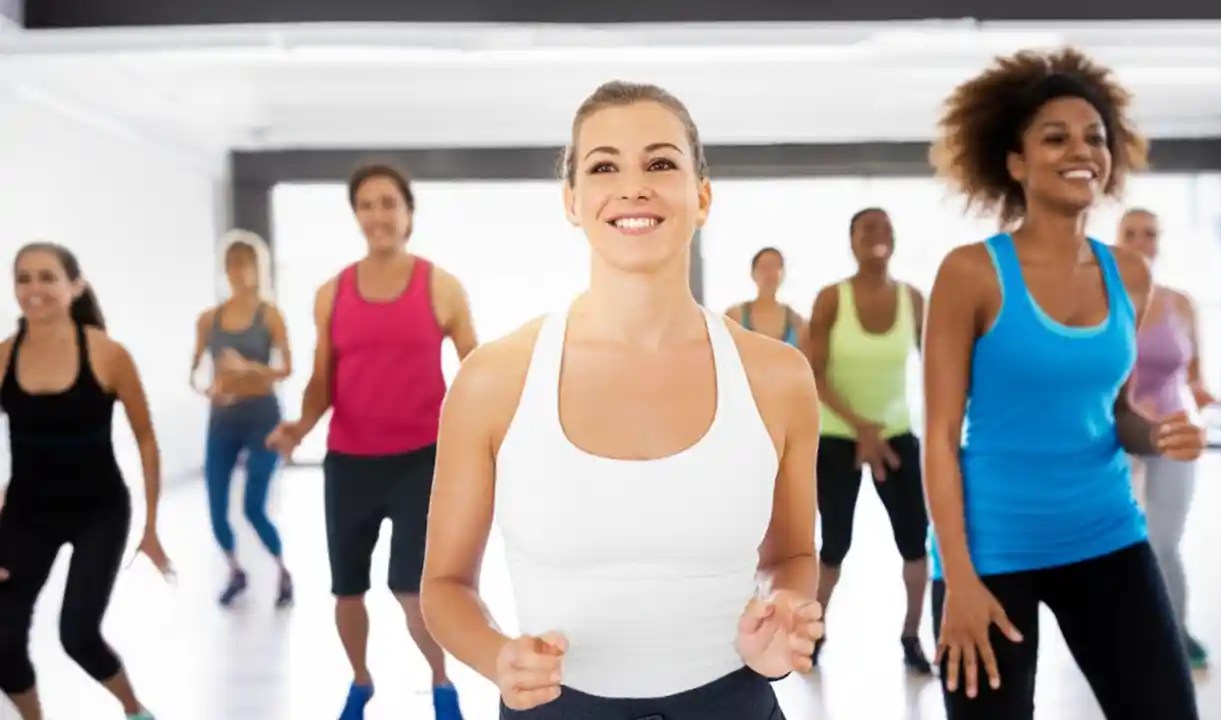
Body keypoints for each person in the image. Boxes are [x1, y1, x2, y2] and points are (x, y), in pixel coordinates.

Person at [420, 80, 823, 720]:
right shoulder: (494, 379)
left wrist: (783, 614)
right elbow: (444, 586)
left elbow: (792, 555)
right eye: (604, 166)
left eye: (660, 163)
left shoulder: (778, 379)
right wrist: (497, 657)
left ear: (702, 196)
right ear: (572, 201)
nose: (633, 186)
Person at [923, 47, 1206, 719]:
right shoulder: (971, 273)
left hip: (1106, 534)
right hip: (992, 549)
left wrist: (1158, 433)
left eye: (1095, 137)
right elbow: (938, 434)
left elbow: (1116, 411)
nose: (1082, 150)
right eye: (1055, 137)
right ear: (1016, 163)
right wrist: (957, 578)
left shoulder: (1129, 275)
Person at [266, 163, 476, 720]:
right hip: (350, 462)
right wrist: (297, 429)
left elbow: (477, 371)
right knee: (347, 591)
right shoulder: (331, 293)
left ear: (408, 213)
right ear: (355, 214)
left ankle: (441, 682)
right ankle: (360, 682)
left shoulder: (442, 286)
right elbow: (322, 379)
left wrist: (492, 441)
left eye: (389, 203)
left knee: (412, 589)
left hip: (421, 461)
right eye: (367, 204)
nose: (378, 215)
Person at [0, 243, 171, 720]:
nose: (35, 289)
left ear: (74, 286)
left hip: (99, 510)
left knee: (77, 634)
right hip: (28, 512)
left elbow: (146, 439)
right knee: (2, 636)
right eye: (24, 278)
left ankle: (135, 711)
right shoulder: (3, 357)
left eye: (47, 277)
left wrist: (152, 527)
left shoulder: (108, 355)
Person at [805, 207, 932, 674]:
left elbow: (938, 370)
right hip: (839, 436)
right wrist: (861, 429)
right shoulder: (830, 299)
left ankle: (912, 635)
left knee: (915, 542)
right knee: (835, 542)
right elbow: (813, 374)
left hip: (896, 435)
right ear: (852, 241)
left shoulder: (913, 300)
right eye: (867, 229)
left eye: (885, 228)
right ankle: (815, 633)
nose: (878, 236)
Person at [1118, 207, 1217, 670]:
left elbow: (1194, 372)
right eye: (1130, 233)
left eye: (1149, 234)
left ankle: (1174, 632)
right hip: (1117, 434)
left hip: (1175, 429)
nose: (1141, 241)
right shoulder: (1101, 299)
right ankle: (1120, 631)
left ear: (1159, 242)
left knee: (1162, 540)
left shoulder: (1181, 303)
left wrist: (1202, 393)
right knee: (1115, 541)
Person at [189, 231, 293, 608]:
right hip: (223, 420)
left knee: (253, 507)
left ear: (257, 269)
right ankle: (235, 570)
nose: (237, 272)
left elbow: (286, 369)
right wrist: (209, 389)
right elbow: (195, 373)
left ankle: (283, 572)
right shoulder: (208, 319)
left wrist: (248, 368)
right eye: (231, 264)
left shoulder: (270, 316)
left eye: (245, 264)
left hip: (262, 417)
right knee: (216, 507)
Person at [726, 247, 808, 350]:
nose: (771, 273)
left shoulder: (797, 323)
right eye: (765, 267)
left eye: (777, 267)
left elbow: (805, 363)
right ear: (753, 273)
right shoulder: (735, 317)